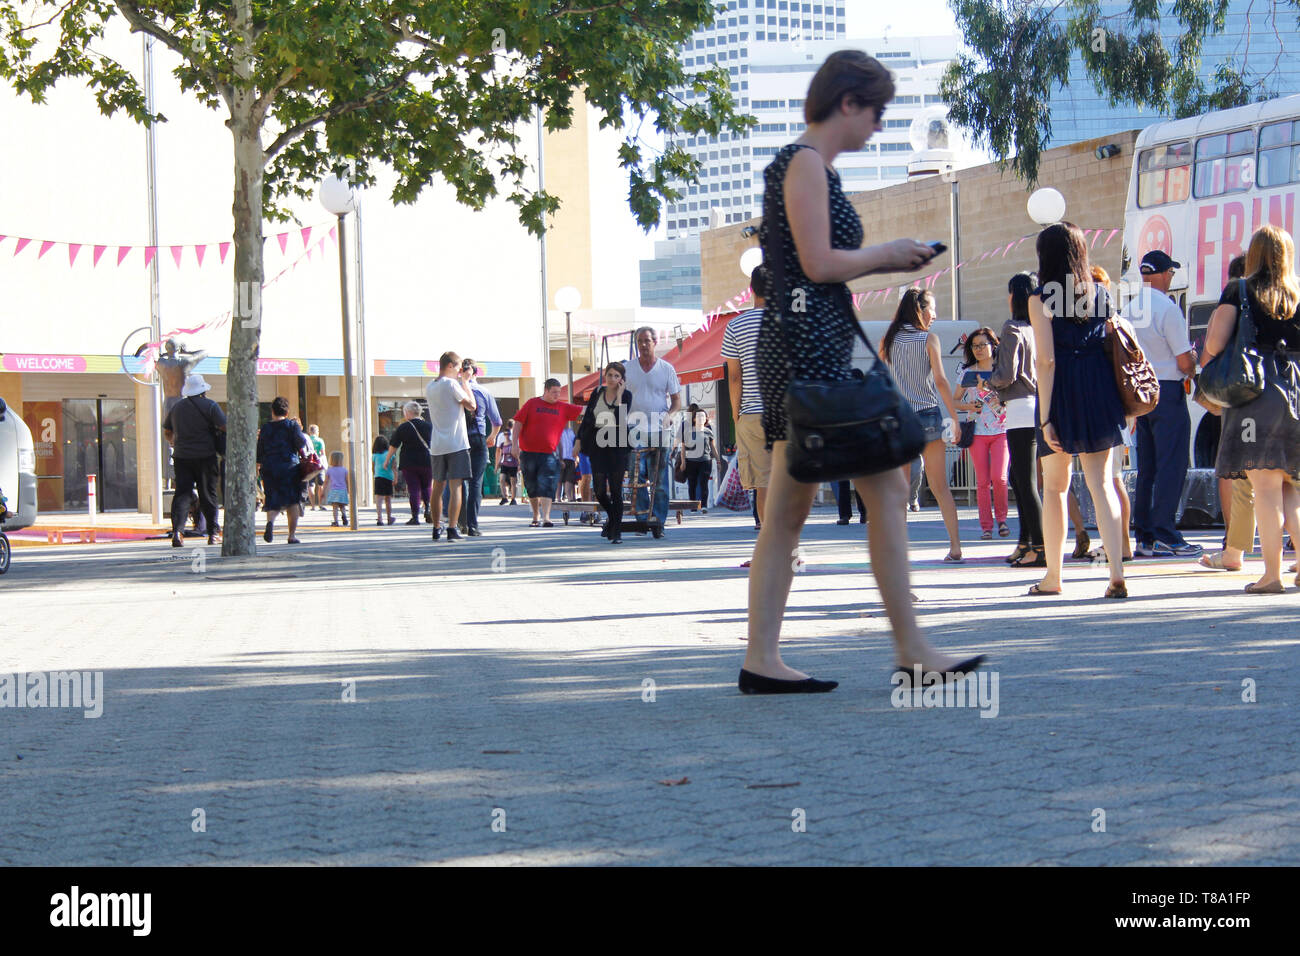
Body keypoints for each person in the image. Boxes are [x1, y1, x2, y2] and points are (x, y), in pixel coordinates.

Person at [743, 49, 983, 693]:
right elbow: (819, 264)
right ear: (848, 101)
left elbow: (810, 267)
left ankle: (767, 658)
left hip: (817, 342)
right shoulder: (804, 165)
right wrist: (891, 255)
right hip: (815, 345)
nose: (877, 126)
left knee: (801, 508)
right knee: (880, 491)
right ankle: (909, 649)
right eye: (875, 112)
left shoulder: (807, 166)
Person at [1027, 221, 1129, 599]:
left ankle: (1054, 577)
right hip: (1099, 388)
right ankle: (1116, 573)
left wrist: (1046, 417)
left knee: (1055, 488)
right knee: (1102, 485)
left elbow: (1046, 361)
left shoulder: (1039, 298)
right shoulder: (1102, 294)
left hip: (1063, 390)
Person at [1204, 224, 1300, 593]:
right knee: (1291, 485)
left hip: (1256, 395)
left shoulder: (1240, 289)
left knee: (1265, 485)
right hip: (1294, 392)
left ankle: (1272, 575)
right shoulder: (1296, 292)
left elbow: (1215, 342)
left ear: (1255, 254)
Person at [1121, 250, 1201, 557]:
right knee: (1172, 464)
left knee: (1148, 467)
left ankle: (1145, 535)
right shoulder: (1168, 308)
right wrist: (1194, 360)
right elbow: (1183, 361)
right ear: (1164, 274)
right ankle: (1167, 531)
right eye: (1170, 274)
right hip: (1166, 389)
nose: (1171, 279)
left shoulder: (1129, 308)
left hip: (1139, 392)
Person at [881, 288, 964, 561]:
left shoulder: (888, 341)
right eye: (932, 308)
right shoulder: (929, 339)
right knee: (940, 488)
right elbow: (940, 380)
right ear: (919, 309)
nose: (935, 314)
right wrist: (953, 416)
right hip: (928, 415)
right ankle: (955, 547)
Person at [991, 272, 1045, 567]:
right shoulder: (1036, 328)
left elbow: (1006, 374)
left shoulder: (1012, 327)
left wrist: (988, 382)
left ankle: (1038, 546)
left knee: (1025, 482)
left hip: (1019, 407)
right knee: (1020, 478)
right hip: (1034, 405)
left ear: (1015, 295)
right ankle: (1025, 542)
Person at [624, 327, 683, 539]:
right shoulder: (627, 368)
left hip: (660, 429)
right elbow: (618, 397)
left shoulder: (667, 369)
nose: (643, 345)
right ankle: (641, 520)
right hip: (634, 428)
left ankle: (658, 521)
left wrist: (670, 414)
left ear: (655, 342)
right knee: (636, 476)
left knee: (660, 479)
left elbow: (677, 401)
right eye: (639, 341)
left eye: (647, 341)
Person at [954, 326, 1010, 540]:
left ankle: (1002, 520)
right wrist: (970, 407)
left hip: (1002, 430)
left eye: (982, 345)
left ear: (993, 345)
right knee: (983, 481)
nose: (978, 349)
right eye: (974, 346)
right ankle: (986, 526)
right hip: (976, 431)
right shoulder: (967, 373)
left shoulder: (1002, 370)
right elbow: (954, 399)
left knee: (1000, 477)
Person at [162, 373, 225, 548]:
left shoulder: (177, 408)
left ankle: (178, 532)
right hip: (206, 456)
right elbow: (225, 426)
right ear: (203, 390)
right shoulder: (211, 406)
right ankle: (213, 533)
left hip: (182, 457)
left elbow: (167, 431)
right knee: (208, 494)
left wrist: (175, 441)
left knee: (182, 494)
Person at [513, 379, 585, 527]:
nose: (557, 395)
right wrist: (515, 445)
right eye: (553, 392)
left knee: (548, 484)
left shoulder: (562, 407)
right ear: (545, 390)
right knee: (531, 485)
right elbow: (518, 423)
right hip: (528, 452)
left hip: (549, 454)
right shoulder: (531, 403)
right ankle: (535, 515)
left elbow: (583, 410)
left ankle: (546, 517)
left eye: (558, 392)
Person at [576, 362, 634, 544]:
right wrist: (578, 441)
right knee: (600, 490)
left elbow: (620, 419)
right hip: (597, 445)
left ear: (621, 379)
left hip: (618, 445)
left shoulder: (626, 395)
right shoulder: (596, 393)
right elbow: (587, 419)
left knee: (616, 490)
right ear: (605, 376)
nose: (612, 379)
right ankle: (613, 519)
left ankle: (616, 531)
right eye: (610, 375)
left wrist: (618, 396)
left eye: (616, 376)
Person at [425, 351, 476, 541]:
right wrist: (466, 381)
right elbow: (472, 405)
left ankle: (436, 527)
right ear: (450, 366)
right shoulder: (452, 384)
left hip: (437, 444)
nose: (459, 371)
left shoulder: (430, 386)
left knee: (437, 486)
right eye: (458, 368)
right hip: (456, 443)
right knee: (456, 487)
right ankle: (452, 528)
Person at [256, 396, 307, 544]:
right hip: (289, 467)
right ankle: (291, 535)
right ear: (287, 411)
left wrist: (258, 465)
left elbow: (260, 449)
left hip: (270, 467)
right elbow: (301, 443)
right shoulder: (292, 426)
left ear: (272, 411)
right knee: (293, 501)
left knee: (272, 498)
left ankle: (270, 522)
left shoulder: (265, 428)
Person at [461, 359, 501, 536]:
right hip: (477, 438)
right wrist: (491, 437)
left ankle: (456, 521)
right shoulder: (484, 392)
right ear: (476, 372)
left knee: (458, 483)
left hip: (459, 439)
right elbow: (497, 421)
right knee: (475, 483)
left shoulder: (454, 389)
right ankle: (472, 525)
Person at [384, 401, 434, 525]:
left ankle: (415, 516)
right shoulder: (429, 426)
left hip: (409, 462)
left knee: (414, 489)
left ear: (407, 413)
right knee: (427, 486)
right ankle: (428, 511)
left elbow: (394, 445)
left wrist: (387, 460)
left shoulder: (403, 427)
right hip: (427, 460)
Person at [677, 405, 719, 511]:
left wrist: (718, 461)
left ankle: (704, 506)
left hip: (705, 461)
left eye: (703, 416)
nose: (701, 418)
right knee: (692, 484)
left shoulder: (708, 431)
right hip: (691, 461)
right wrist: (683, 462)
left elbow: (713, 447)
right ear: (694, 418)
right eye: (699, 416)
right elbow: (683, 448)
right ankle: (693, 506)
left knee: (704, 483)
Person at [372, 435, 395, 525]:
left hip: (378, 478)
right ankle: (389, 518)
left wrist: (375, 473)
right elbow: (394, 467)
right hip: (388, 478)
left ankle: (379, 519)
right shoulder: (390, 455)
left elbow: (373, 467)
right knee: (388, 499)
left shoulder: (374, 455)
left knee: (378, 500)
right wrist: (395, 478)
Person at [324, 450, 349, 526]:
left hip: (334, 490)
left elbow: (326, 482)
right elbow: (347, 481)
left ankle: (336, 521)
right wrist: (348, 490)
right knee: (342, 506)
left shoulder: (329, 470)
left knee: (335, 507)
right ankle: (344, 515)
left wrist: (323, 492)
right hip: (343, 490)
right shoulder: (344, 470)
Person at [496, 422, 519, 505]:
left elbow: (517, 453)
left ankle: (513, 498)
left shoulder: (513, 442)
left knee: (513, 482)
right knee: (502, 479)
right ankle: (504, 497)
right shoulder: (502, 444)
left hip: (513, 464)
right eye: (505, 433)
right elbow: (500, 453)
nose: (506, 435)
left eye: (508, 433)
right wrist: (497, 465)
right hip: (504, 463)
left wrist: (519, 464)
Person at [305, 424, 327, 510]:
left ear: (310, 432)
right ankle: (321, 504)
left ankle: (313, 505)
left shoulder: (307, 440)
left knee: (311, 485)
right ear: (316, 431)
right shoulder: (320, 440)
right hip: (319, 464)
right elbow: (323, 453)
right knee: (321, 484)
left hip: (310, 464)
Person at [558, 422, 578, 503]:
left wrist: (576, 457)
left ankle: (569, 497)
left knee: (569, 479)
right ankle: (558, 497)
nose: (566, 423)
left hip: (571, 458)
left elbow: (574, 445)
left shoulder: (571, 432)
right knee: (559, 479)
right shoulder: (558, 431)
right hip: (561, 457)